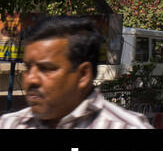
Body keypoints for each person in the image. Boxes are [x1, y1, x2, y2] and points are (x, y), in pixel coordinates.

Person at [0, 17, 152, 129]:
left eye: (46, 68)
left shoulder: (125, 127)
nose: (31, 79)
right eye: (28, 68)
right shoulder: (10, 124)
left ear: (83, 75)